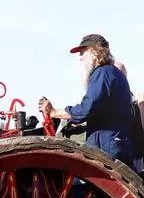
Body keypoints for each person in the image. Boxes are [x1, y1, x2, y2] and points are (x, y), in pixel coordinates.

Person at [39, 34, 135, 165]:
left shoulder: (103, 73)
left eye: (82, 52)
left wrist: (54, 112)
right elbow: (100, 111)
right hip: (113, 143)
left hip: (107, 146)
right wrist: (77, 123)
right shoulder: (112, 73)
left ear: (95, 52)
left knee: (78, 182)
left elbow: (87, 108)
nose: (80, 58)